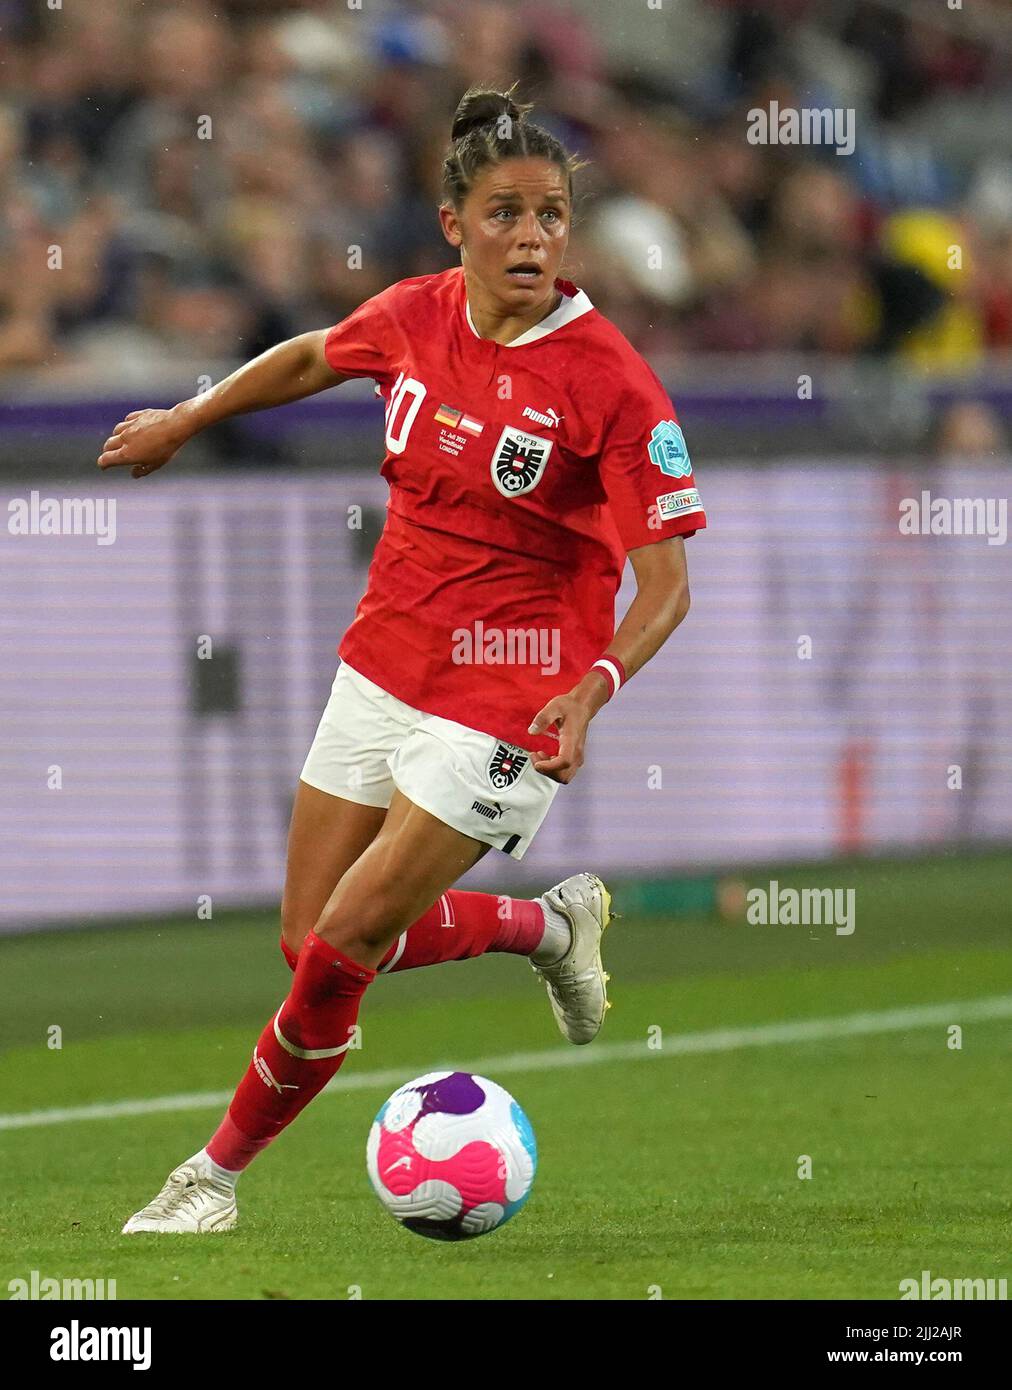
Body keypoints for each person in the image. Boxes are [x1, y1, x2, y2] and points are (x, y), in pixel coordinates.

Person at [98, 86, 706, 1234]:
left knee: (344, 944)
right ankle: (546, 927)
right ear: (452, 223)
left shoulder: (611, 384)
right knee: (308, 938)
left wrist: (593, 689)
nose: (531, 236)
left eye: (551, 215)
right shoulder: (414, 314)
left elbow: (665, 584)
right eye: (504, 212)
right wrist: (187, 417)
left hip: (513, 692)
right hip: (385, 659)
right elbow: (309, 357)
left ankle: (211, 1178)